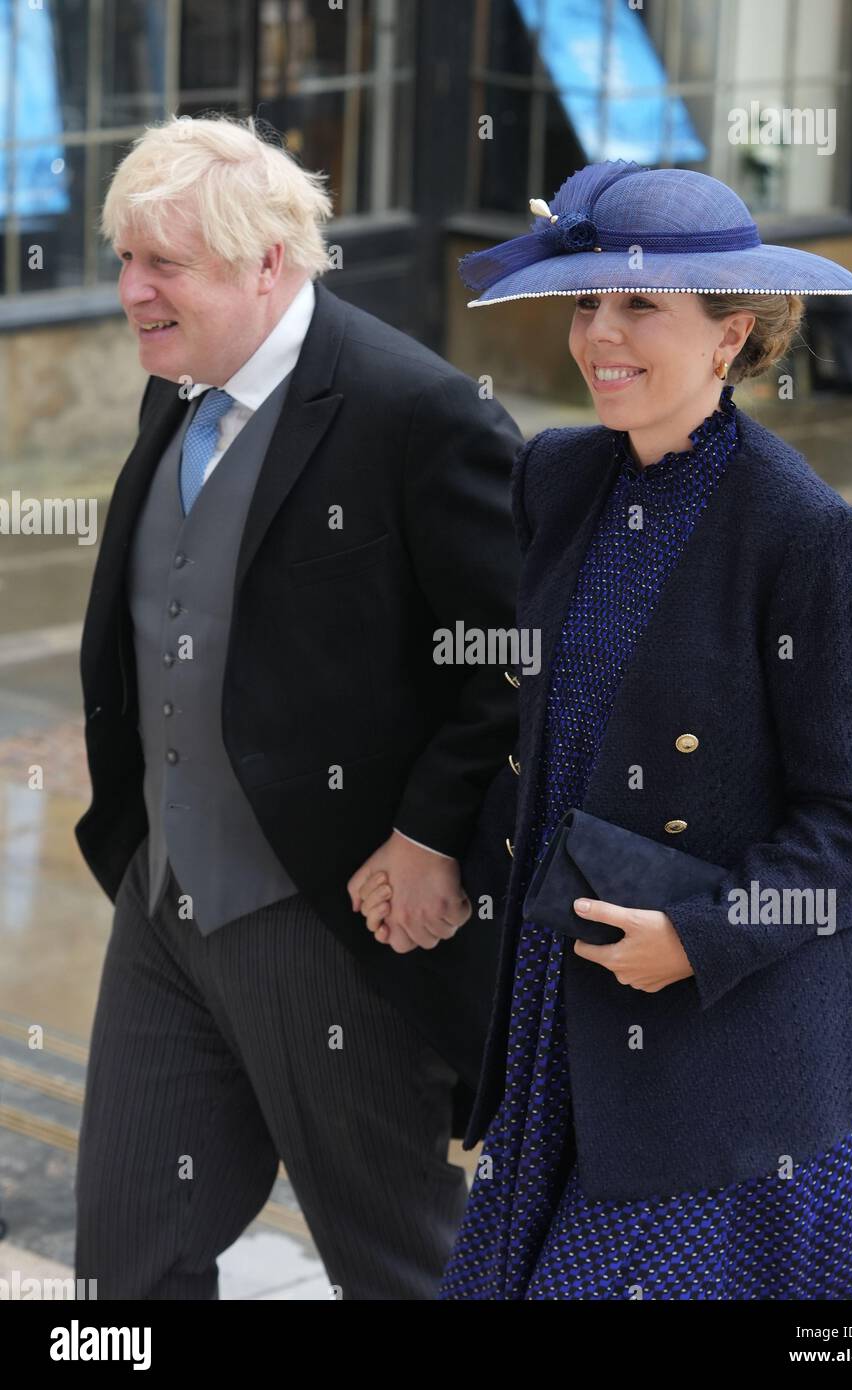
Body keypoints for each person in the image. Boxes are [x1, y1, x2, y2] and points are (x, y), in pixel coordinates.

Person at [363, 162, 852, 1300]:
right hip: (561, 1002)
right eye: (584, 302)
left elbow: (851, 817)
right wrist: (451, 852)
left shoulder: (806, 535)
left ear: (728, 336)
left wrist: (697, 936)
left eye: (639, 307)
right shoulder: (556, 476)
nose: (598, 334)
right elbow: (544, 728)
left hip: (724, 1035)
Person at [72, 113, 522, 1301]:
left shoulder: (419, 413)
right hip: (164, 901)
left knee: (401, 1268)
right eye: (124, 258)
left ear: (266, 261)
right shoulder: (178, 388)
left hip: (331, 924)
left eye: (163, 263)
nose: (131, 291)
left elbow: (514, 656)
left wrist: (430, 835)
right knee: (124, 1266)